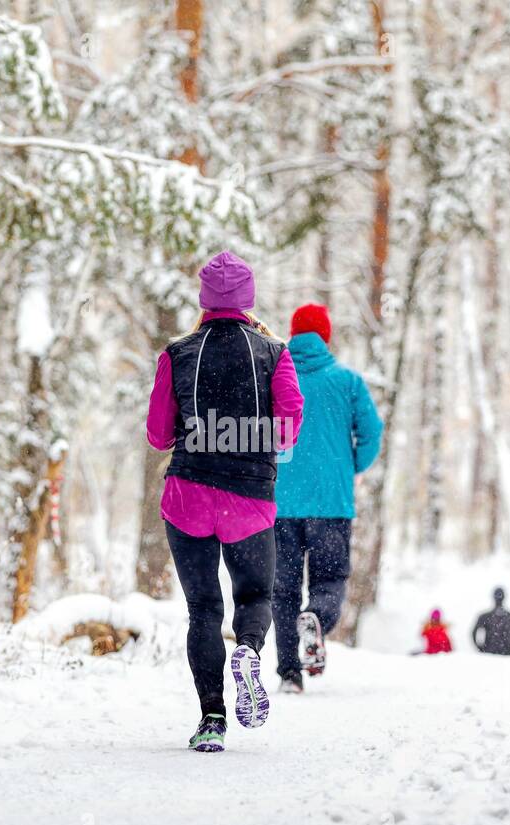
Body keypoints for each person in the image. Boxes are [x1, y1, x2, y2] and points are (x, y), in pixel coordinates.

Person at [145, 251, 304, 752]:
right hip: (248, 501)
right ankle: (252, 651)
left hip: (189, 494)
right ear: (248, 298)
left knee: (203, 609)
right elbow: (289, 425)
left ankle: (211, 718)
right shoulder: (274, 353)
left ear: (205, 300)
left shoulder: (178, 353)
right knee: (255, 597)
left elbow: (156, 434)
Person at [272, 303, 384, 692]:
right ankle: (317, 617)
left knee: (282, 588)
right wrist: (348, 466)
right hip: (331, 504)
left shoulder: (276, 376)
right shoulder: (347, 382)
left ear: (292, 333)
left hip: (280, 503)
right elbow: (372, 431)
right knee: (329, 578)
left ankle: (289, 673)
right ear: (326, 336)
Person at [471, 588, 510, 655]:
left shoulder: (485, 617)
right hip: (505, 654)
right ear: (504, 597)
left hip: (490, 653)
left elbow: (474, 633)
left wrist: (481, 648)